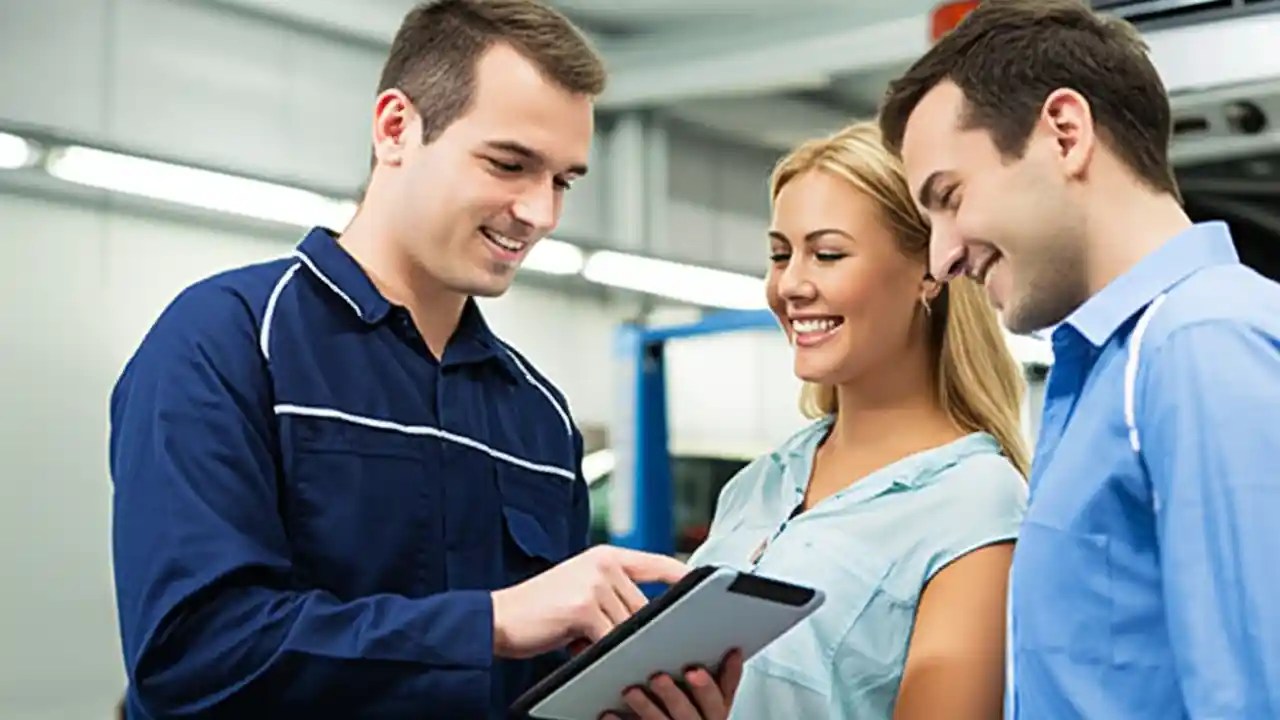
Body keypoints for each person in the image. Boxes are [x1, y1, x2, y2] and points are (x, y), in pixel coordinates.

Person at [108, 1, 740, 718]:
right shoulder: (228, 340)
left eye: (563, 181)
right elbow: (189, 658)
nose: (541, 213)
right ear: (395, 128)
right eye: (509, 164)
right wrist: (491, 622)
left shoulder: (536, 416)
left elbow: (532, 692)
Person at [878, 0, 1280, 717]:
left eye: (950, 196)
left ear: (1065, 134)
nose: (941, 256)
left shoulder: (1200, 343)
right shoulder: (1107, 368)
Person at [669, 120, 1030, 720]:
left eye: (827, 254)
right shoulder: (758, 485)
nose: (790, 285)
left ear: (929, 272)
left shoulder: (976, 506)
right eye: (780, 255)